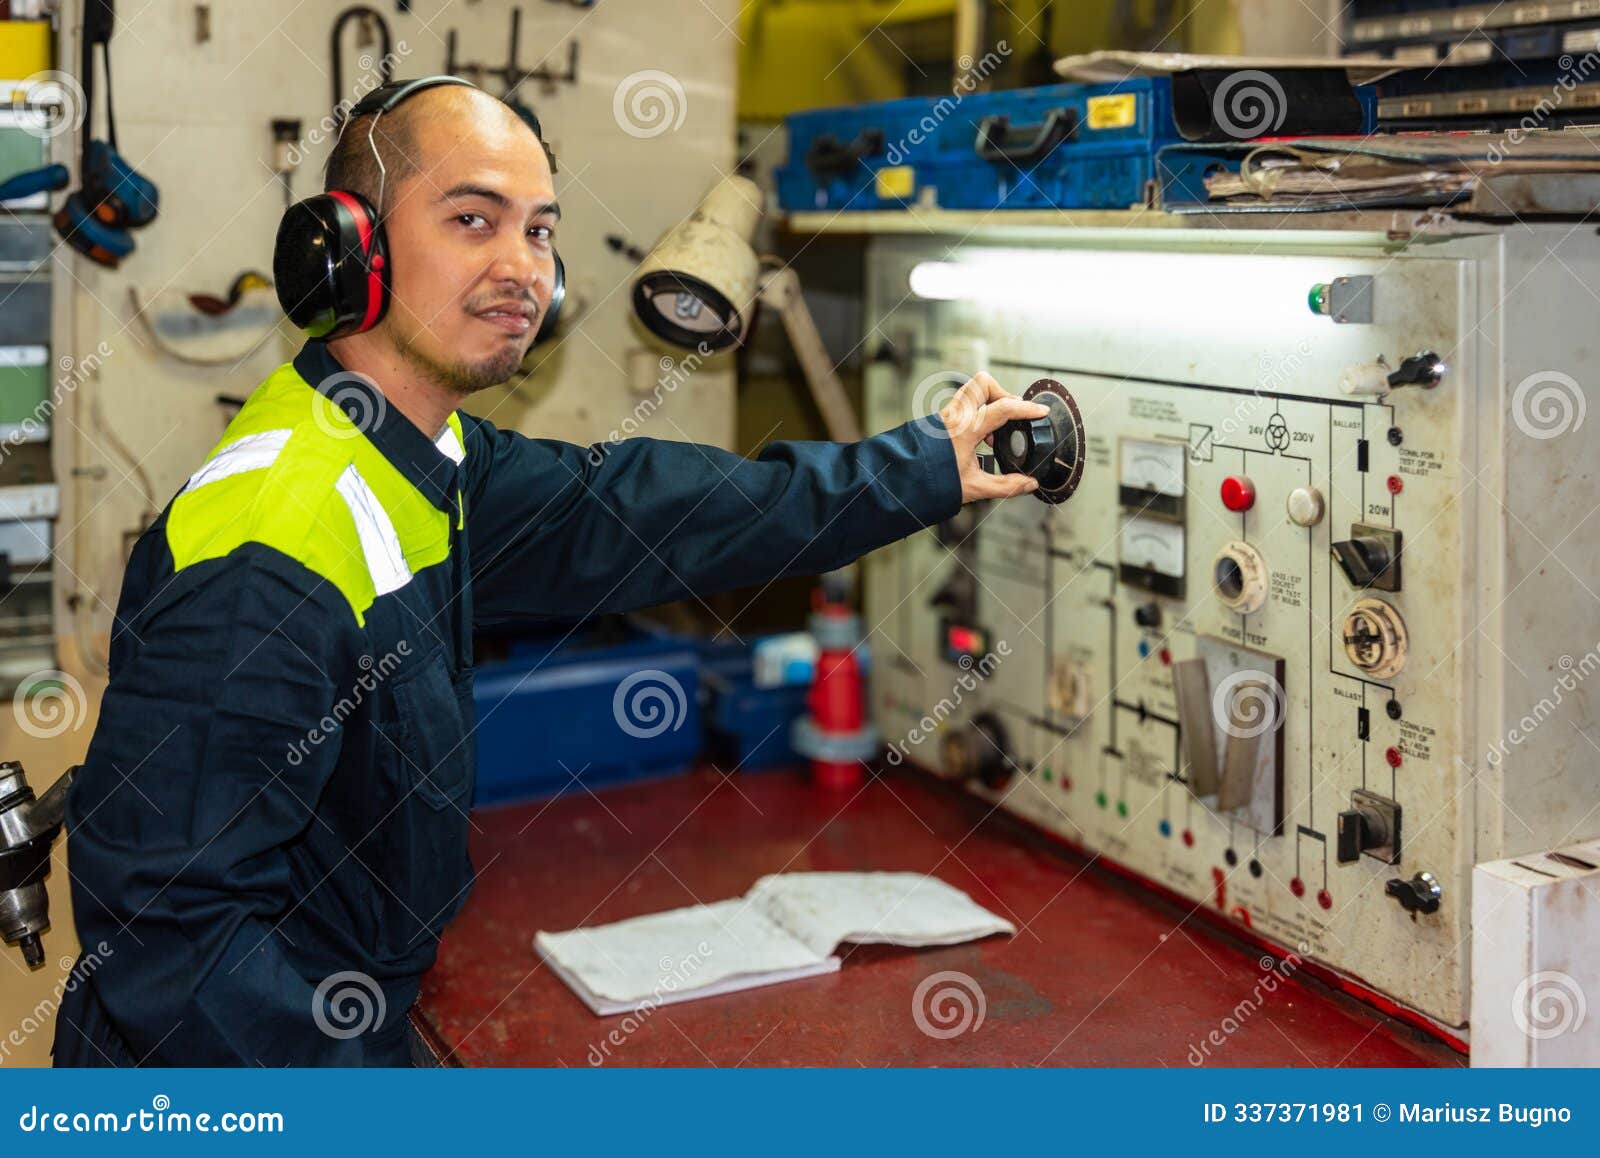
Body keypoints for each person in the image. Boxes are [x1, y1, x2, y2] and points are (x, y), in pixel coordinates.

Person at [52, 78, 1047, 1066]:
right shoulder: (274, 543)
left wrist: (922, 468)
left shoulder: (417, 457)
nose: (521, 267)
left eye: (538, 231)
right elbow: (172, 945)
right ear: (351, 247)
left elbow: (644, 509)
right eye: (472, 219)